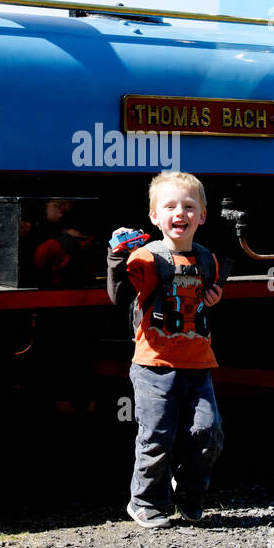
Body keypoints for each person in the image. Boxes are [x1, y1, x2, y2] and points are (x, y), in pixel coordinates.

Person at [107, 171, 224, 528]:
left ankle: (189, 494)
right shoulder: (145, 257)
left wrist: (214, 296)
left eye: (189, 207)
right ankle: (145, 501)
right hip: (154, 364)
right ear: (155, 216)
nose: (181, 213)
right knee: (157, 435)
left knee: (208, 432)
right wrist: (116, 258)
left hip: (198, 362)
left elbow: (209, 292)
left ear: (202, 216)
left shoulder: (207, 259)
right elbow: (119, 296)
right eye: (170, 206)